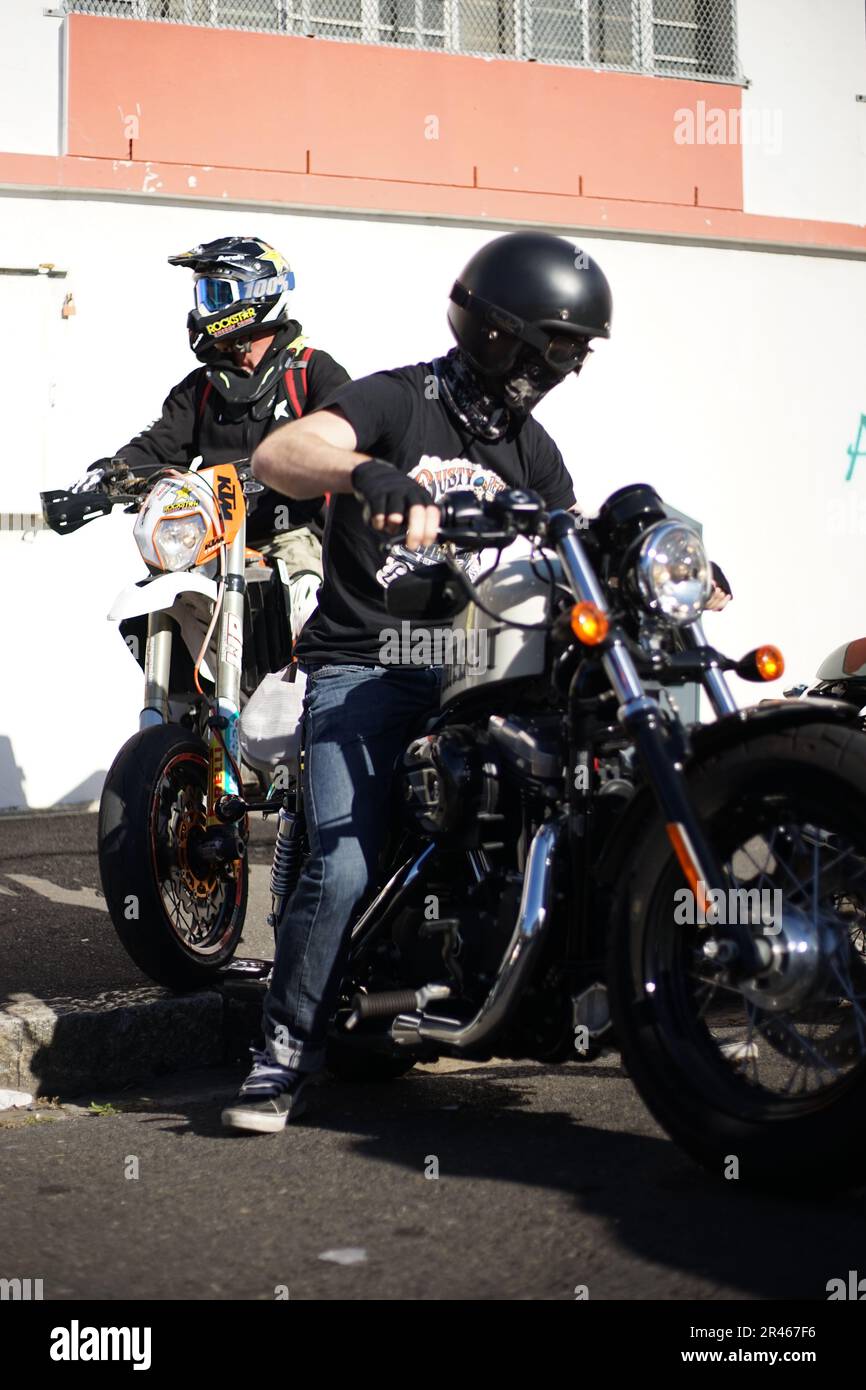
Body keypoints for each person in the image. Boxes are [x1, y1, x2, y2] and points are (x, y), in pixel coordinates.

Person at [219, 229, 617, 1130]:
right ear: (501, 333)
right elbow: (282, 454)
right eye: (559, 344)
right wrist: (366, 470)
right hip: (367, 661)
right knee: (348, 859)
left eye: (577, 350)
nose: (568, 365)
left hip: (473, 666)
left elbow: (570, 542)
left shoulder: (534, 449)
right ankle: (283, 1051)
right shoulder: (400, 398)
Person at [70, 236, 350, 575]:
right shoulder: (201, 386)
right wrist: (107, 475)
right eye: (202, 295)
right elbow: (158, 444)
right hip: (209, 538)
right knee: (154, 603)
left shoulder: (313, 371)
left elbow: (349, 437)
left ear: (258, 294)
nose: (202, 310)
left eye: (216, 295)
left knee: (302, 596)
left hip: (294, 536)